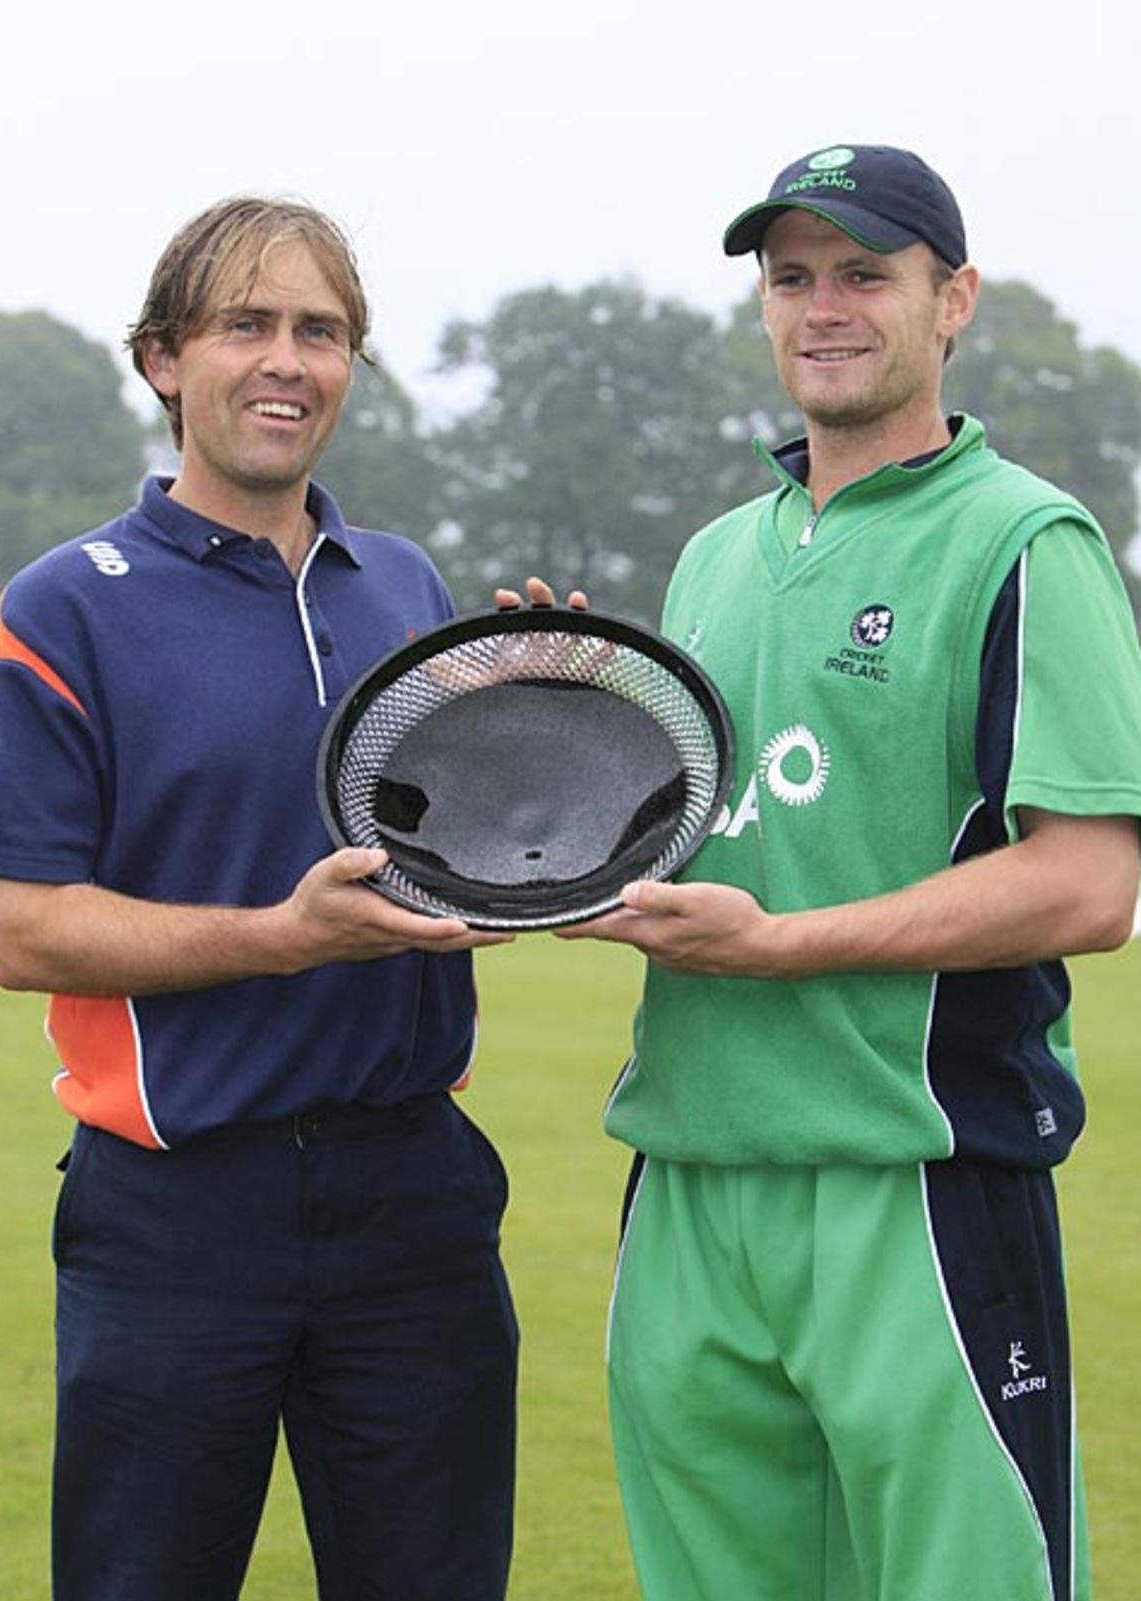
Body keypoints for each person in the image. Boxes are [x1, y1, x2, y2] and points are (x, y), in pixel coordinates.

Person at [559, 144, 1141, 1600]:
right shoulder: (709, 564)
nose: (823, 306)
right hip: (689, 1173)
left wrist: (783, 944)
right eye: (791, 277)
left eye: (865, 274)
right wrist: (545, 740)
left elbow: (1088, 887)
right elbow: (689, 839)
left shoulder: (1025, 539)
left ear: (954, 301)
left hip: (917, 1174)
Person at [0, 196, 520, 1601]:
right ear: (161, 359)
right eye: (245, 324)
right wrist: (280, 941)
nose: (287, 360)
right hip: (178, 1209)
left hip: (416, 1194)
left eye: (321, 331)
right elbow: (22, 929)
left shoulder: (405, 585)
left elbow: (454, 866)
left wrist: (546, 746)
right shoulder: (61, 606)